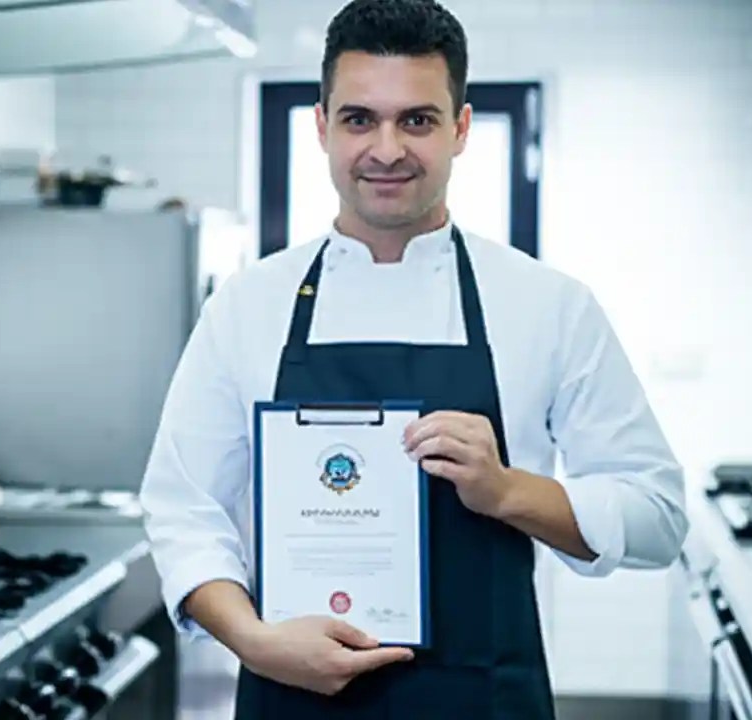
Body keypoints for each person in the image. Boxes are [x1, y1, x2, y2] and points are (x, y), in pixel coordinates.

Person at [137, 0, 689, 717]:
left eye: (417, 120)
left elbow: (658, 516)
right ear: (321, 127)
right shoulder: (248, 305)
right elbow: (183, 508)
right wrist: (253, 640)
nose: (387, 148)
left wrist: (507, 491)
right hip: (292, 693)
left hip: (483, 699)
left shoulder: (547, 304)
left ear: (460, 128)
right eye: (360, 118)